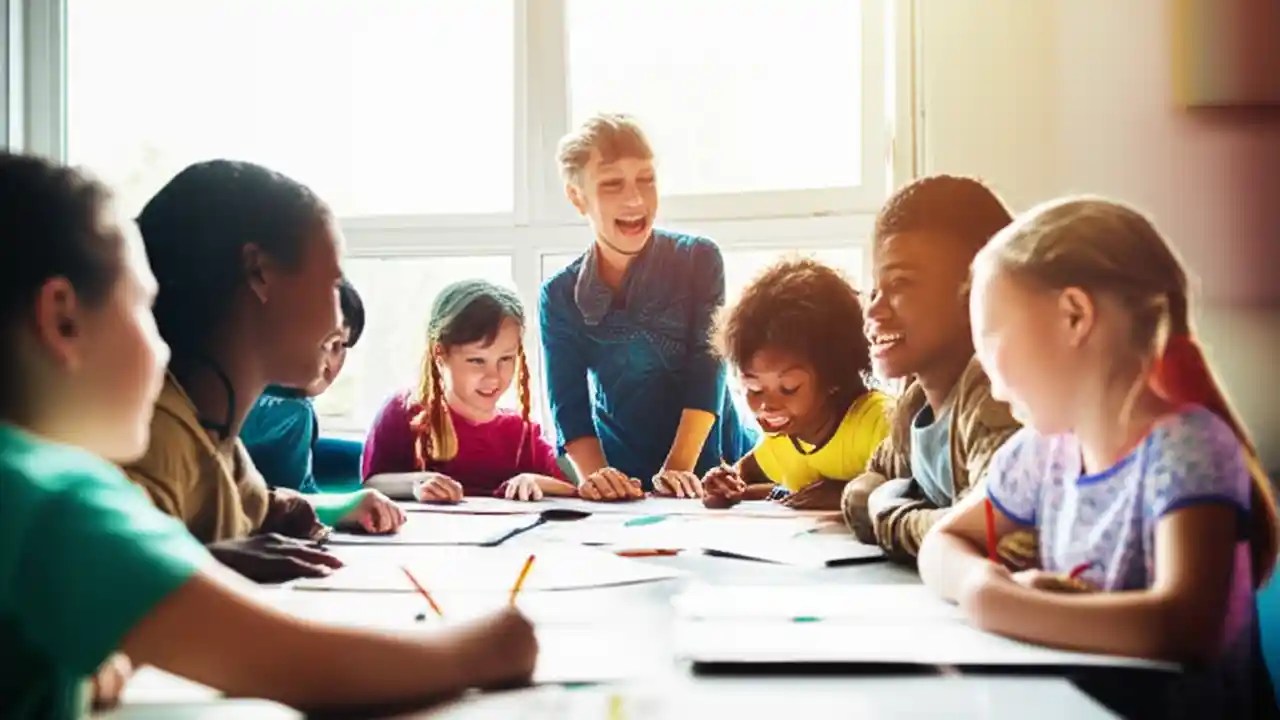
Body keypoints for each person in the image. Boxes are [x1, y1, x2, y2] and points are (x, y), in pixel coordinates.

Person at [0, 152, 536, 717]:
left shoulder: (200, 445)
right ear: (62, 320)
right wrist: (495, 644)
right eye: (141, 306)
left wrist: (294, 509)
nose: (158, 346)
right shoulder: (51, 501)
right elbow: (307, 665)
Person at [919, 197, 1279, 718]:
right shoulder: (1043, 456)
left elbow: (1182, 627)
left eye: (991, 346)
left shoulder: (1189, 449)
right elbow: (943, 540)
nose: (990, 382)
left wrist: (1001, 606)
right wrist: (979, 581)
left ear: (1074, 315)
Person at [123, 160, 404, 583]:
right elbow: (112, 580)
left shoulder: (211, 434)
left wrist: (290, 511)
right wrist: (203, 568)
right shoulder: (150, 441)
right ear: (259, 273)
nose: (336, 321)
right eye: (332, 284)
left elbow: (254, 503)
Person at [540, 113, 756, 502]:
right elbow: (569, 408)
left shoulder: (699, 259)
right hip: (626, 480)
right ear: (577, 198)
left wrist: (678, 470)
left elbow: (708, 370)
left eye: (646, 179)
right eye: (612, 184)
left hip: (716, 473)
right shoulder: (558, 296)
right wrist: (601, 480)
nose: (635, 199)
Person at [841, 175, 1023, 561]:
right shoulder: (916, 403)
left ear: (977, 291)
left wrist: (888, 515)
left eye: (901, 284)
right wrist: (876, 496)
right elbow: (870, 479)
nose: (874, 310)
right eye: (875, 289)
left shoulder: (995, 395)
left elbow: (1003, 539)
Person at [700, 257, 891, 510]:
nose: (768, 405)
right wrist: (721, 485)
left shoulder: (881, 422)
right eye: (753, 389)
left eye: (789, 388)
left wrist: (847, 493)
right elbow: (740, 479)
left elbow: (923, 488)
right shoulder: (781, 441)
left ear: (834, 376)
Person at [362, 280, 575, 502]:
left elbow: (570, 489)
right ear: (440, 353)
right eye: (476, 360)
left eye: (506, 358)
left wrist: (534, 480)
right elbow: (372, 482)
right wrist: (417, 483)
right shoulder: (404, 412)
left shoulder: (522, 432)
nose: (494, 376)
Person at [241, 278, 366, 493]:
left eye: (339, 346)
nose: (326, 359)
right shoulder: (294, 413)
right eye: (321, 341)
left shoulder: (251, 395)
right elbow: (297, 511)